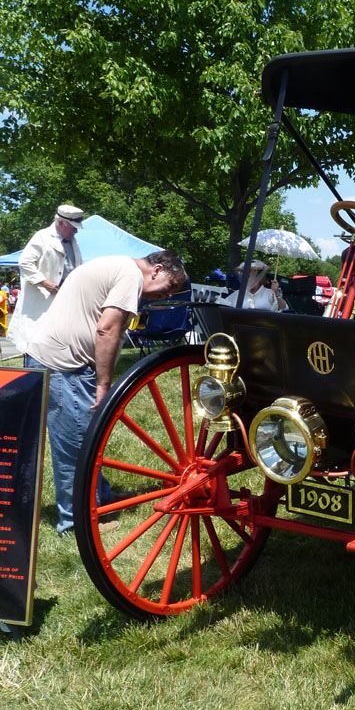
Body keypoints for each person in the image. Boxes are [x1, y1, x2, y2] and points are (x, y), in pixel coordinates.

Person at [23, 250, 188, 536]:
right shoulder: (130, 276)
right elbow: (107, 329)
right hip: (63, 366)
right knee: (75, 446)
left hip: (55, 360)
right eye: (170, 286)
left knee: (86, 437)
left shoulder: (119, 266)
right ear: (157, 270)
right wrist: (104, 384)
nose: (169, 295)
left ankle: (101, 499)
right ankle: (75, 522)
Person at [6, 204, 86, 351]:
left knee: (59, 342)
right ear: (61, 223)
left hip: (65, 300)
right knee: (35, 342)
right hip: (42, 301)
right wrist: (45, 282)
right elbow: (25, 262)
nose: (76, 230)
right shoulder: (42, 236)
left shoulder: (74, 242)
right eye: (73, 227)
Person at [217, 259, 286, 311]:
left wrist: (276, 292)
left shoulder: (269, 293)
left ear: (258, 277)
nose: (245, 279)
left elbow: (283, 308)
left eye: (248, 276)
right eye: (243, 276)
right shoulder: (238, 294)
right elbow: (222, 305)